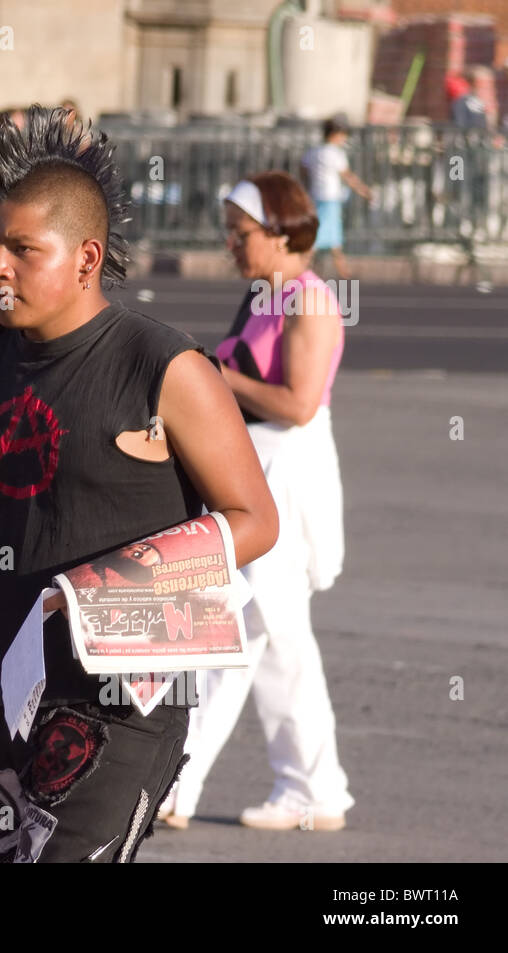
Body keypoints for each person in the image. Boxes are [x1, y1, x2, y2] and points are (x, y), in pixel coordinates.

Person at [0, 105, 279, 863]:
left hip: (119, 700)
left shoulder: (163, 363)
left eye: (22, 249)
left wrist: (118, 583)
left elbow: (255, 517)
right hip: (4, 687)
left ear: (87, 258)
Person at [158, 172, 353, 833]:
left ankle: (180, 783)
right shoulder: (262, 295)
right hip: (253, 466)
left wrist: (218, 375)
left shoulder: (311, 303)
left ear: (277, 231)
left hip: (286, 472)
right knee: (270, 638)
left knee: (241, 628)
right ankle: (313, 788)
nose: (231, 245)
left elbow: (298, 405)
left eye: (239, 233)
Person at [299, 114, 371, 280]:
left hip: (316, 197)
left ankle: (343, 271)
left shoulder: (314, 152)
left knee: (331, 238)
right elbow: (348, 176)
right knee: (321, 237)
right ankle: (302, 269)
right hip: (330, 199)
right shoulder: (335, 154)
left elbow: (303, 168)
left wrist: (309, 185)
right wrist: (364, 190)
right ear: (335, 134)